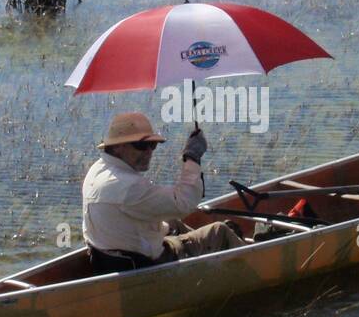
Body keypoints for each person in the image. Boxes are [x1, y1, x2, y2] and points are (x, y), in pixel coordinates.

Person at [82, 111, 245, 274]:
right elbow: (184, 202)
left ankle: (208, 250)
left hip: (112, 256)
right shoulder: (128, 186)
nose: (149, 152)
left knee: (173, 223)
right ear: (118, 147)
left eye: (152, 145)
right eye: (141, 146)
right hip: (147, 263)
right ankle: (253, 267)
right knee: (219, 231)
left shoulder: (96, 170)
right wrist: (192, 157)